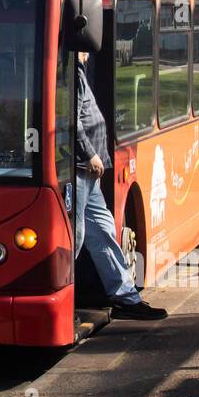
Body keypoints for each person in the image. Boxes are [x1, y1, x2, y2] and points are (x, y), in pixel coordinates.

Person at [76, 51, 167, 321]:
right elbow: (70, 120)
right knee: (76, 236)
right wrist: (90, 154)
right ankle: (63, 294)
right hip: (80, 169)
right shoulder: (70, 76)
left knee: (102, 232)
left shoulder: (78, 74)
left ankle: (126, 297)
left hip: (89, 175)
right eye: (83, 48)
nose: (88, 53)